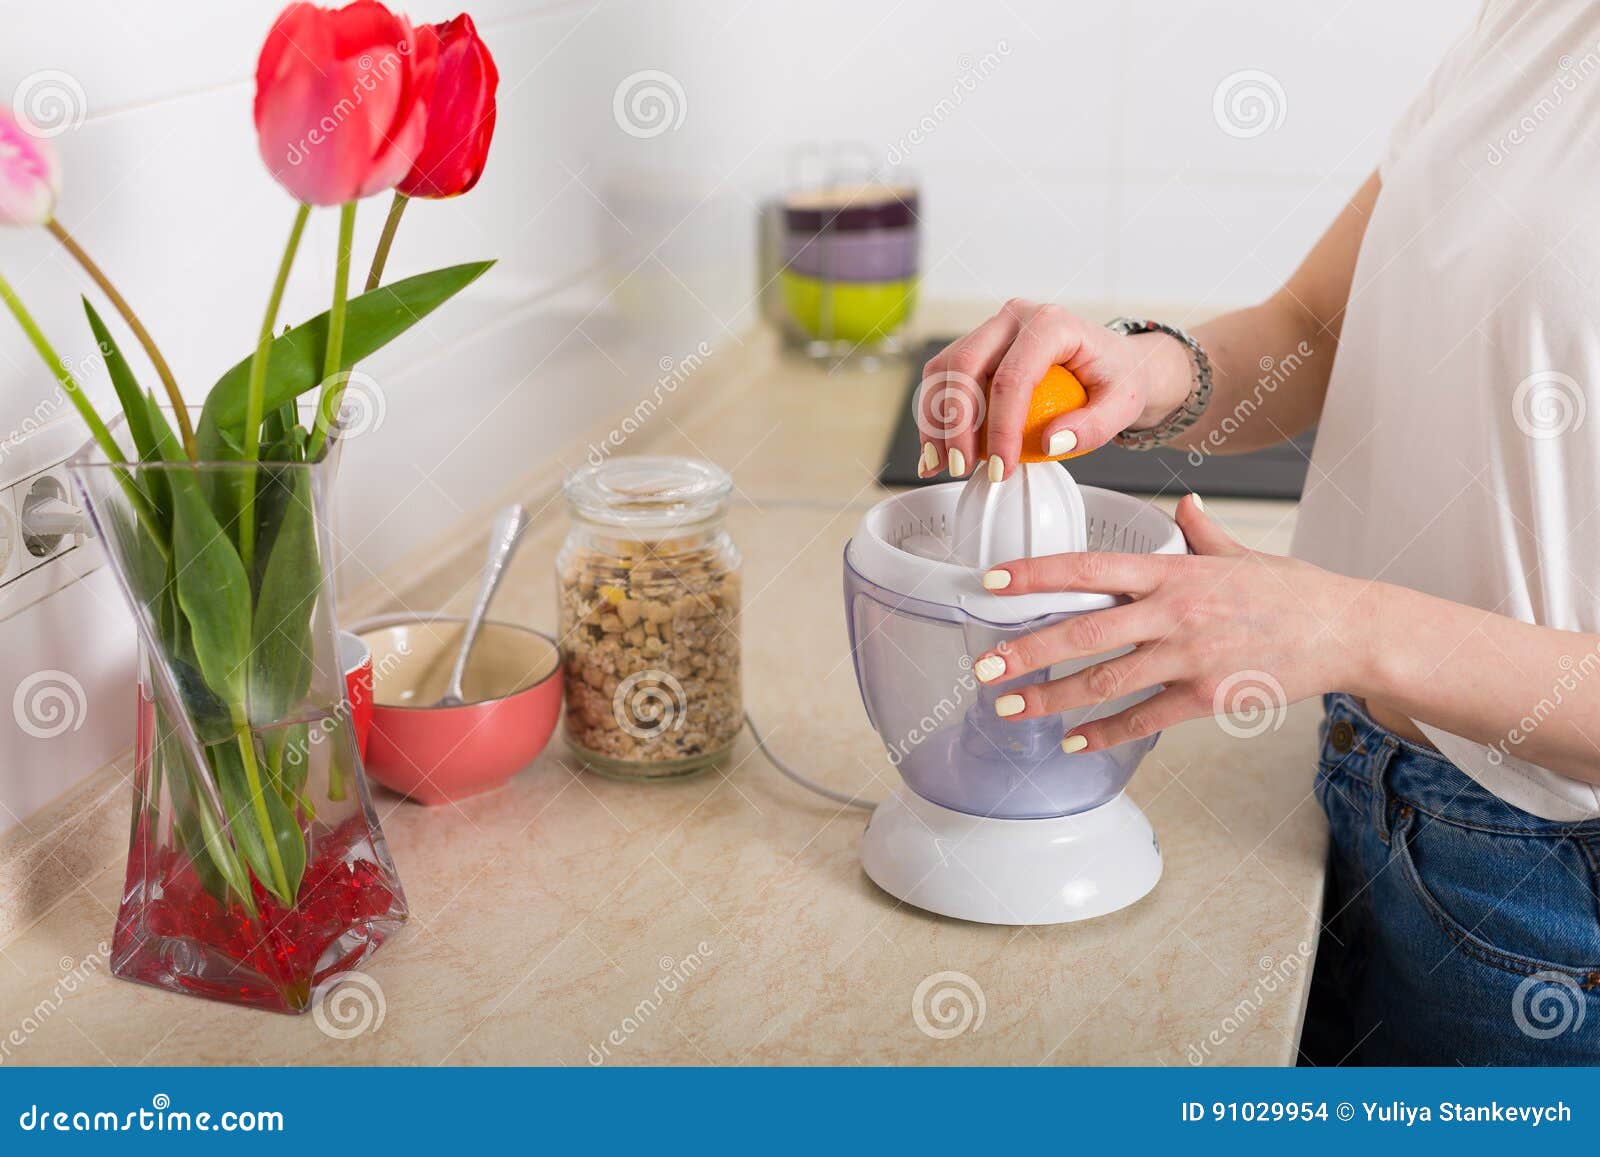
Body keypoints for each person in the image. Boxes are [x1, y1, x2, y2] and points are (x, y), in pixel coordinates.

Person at [918, 0, 1600, 1065]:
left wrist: (1344, 623)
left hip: (1551, 897)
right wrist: (1143, 369)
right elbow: (1315, 327)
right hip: (1356, 779)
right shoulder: (1535, 24)